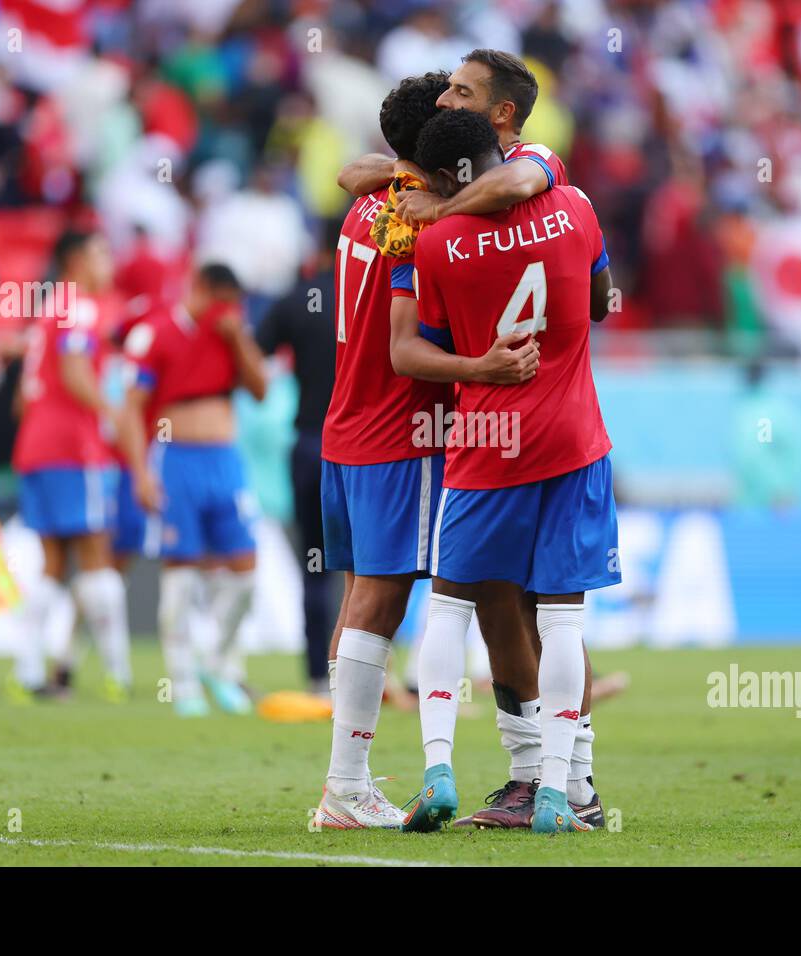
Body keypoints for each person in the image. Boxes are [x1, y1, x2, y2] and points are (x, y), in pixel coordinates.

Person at [314, 71, 536, 831]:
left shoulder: (364, 204)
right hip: (401, 431)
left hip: (347, 426)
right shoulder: (421, 224)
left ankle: (347, 781)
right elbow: (415, 343)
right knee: (383, 598)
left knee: (361, 598)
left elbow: (352, 169)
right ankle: (347, 786)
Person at [399, 108, 618, 833]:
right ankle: (557, 789)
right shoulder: (576, 206)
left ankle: (437, 769)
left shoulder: (435, 247)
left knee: (448, 608)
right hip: (574, 440)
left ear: (437, 177)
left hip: (486, 443)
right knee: (561, 619)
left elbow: (425, 349)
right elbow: (600, 303)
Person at [120, 263, 268, 717]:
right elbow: (130, 410)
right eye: (222, 301)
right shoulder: (157, 334)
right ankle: (182, 680)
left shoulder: (231, 334)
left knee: (245, 568)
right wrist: (141, 474)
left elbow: (260, 390)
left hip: (224, 460)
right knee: (180, 569)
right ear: (200, 290)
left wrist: (238, 338)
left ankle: (216, 661)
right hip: (176, 459)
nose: (228, 311)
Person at [12, 230, 132, 700]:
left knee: (52, 562)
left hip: (36, 446)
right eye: (102, 252)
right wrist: (111, 412)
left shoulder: (48, 310)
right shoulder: (79, 306)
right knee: (97, 554)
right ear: (77, 260)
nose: (109, 262)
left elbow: (25, 395)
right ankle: (117, 674)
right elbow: (74, 370)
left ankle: (26, 672)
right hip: (74, 447)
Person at [255, 238, 338, 698]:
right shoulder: (376, 291)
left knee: (315, 566)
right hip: (364, 447)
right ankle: (370, 678)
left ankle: (316, 678)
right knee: (376, 573)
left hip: (309, 443)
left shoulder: (296, 301)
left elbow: (252, 354)